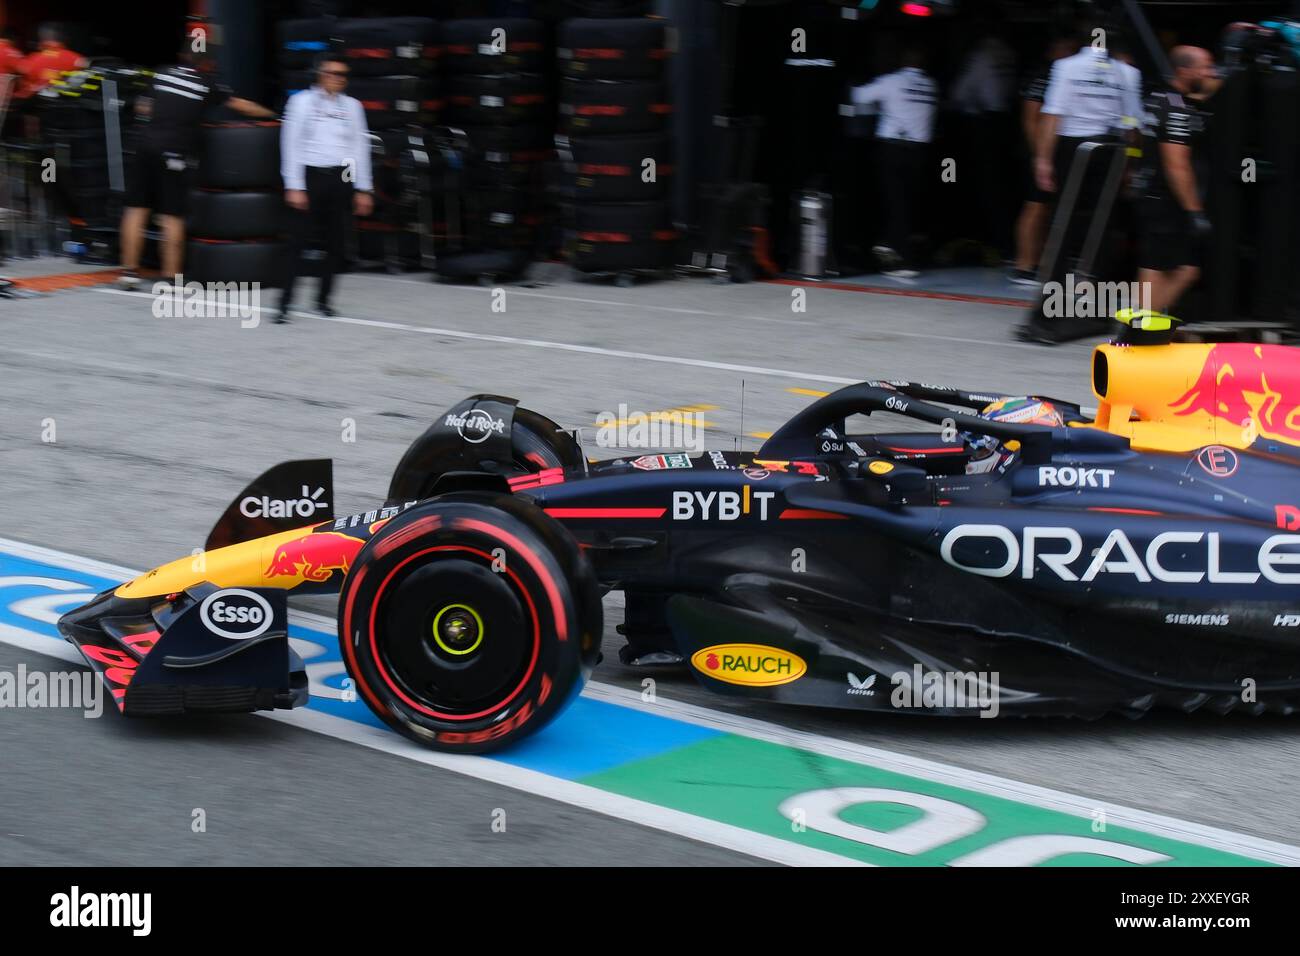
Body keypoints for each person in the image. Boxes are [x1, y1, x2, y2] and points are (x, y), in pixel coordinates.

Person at [118, 48, 275, 289]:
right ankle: (172, 278)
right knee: (171, 216)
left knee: (136, 209)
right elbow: (243, 106)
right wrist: (275, 116)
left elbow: (143, 107)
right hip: (174, 153)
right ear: (209, 63)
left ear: (183, 56)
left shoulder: (162, 73)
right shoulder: (207, 84)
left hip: (144, 146)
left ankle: (128, 272)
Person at [277, 54, 373, 323]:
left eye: (343, 75)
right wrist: (294, 185)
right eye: (333, 73)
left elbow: (359, 148)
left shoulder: (353, 106)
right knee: (296, 242)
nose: (338, 79)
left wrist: (362, 188)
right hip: (310, 175)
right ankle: (284, 304)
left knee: (337, 243)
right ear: (319, 74)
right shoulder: (300, 102)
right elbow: (291, 144)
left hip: (341, 176)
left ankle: (323, 301)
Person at [1134, 46, 1216, 316]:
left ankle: (1145, 325)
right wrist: (1194, 211)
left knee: (1185, 269)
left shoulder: (1161, 97)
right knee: (1159, 268)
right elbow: (1176, 164)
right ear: (1184, 71)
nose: (1210, 72)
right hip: (1166, 199)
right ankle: (1138, 330)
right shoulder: (1176, 108)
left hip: (1155, 194)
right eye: (1205, 67)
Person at [851, 48, 938, 279]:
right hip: (919, 152)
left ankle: (903, 260)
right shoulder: (931, 85)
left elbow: (858, 97)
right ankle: (888, 242)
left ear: (902, 60)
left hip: (893, 150)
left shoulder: (892, 81)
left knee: (896, 203)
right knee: (906, 204)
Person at [1009, 35, 1074, 285]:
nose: (1070, 51)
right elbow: (1030, 119)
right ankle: (1023, 265)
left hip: (1052, 153)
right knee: (1034, 207)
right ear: (1053, 49)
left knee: (1046, 209)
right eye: (1066, 46)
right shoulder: (1041, 77)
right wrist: (1040, 156)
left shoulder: (1060, 76)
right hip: (1037, 153)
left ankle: (1038, 262)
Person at [16, 23, 85, 98]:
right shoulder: (77, 59)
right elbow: (81, 86)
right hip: (69, 105)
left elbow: (22, 86)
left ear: (42, 40)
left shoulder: (32, 59)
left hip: (36, 105)